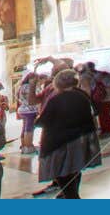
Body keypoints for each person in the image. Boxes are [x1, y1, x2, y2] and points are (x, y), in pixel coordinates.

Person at [35, 68, 101, 199]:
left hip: (60, 142)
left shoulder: (56, 98)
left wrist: (37, 119)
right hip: (82, 138)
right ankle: (71, 195)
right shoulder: (82, 95)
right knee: (75, 169)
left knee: (61, 172)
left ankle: (72, 197)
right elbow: (94, 114)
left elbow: (41, 122)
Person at [16, 69, 38, 154]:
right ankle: (28, 147)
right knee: (29, 129)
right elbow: (35, 98)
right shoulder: (31, 87)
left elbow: (18, 97)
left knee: (24, 127)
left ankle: (24, 145)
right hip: (30, 110)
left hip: (22, 109)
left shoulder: (21, 87)